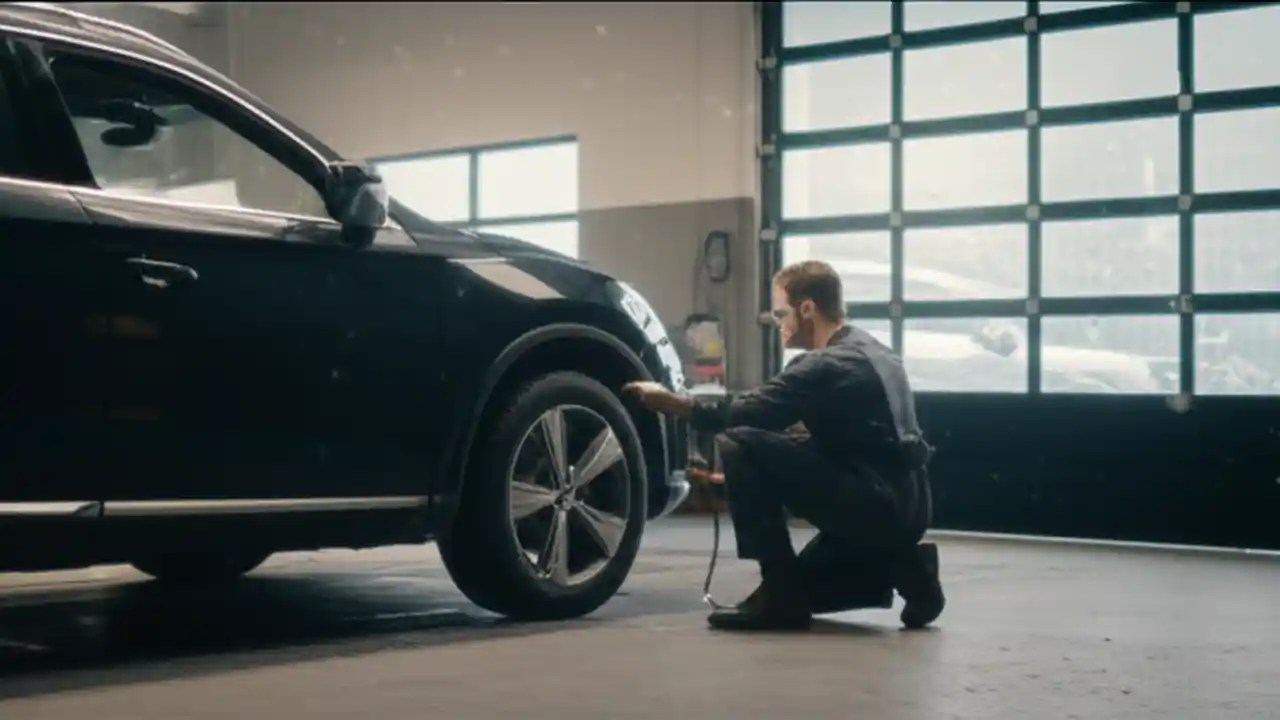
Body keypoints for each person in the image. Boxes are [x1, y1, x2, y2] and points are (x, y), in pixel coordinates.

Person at [623, 260, 945, 631]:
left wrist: (673, 402)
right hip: (911, 506)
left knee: (741, 442)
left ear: (807, 309)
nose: (778, 324)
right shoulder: (879, 354)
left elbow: (746, 412)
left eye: (781, 314)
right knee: (808, 590)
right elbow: (853, 439)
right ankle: (913, 570)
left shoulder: (824, 365)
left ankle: (777, 590)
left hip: (874, 506)